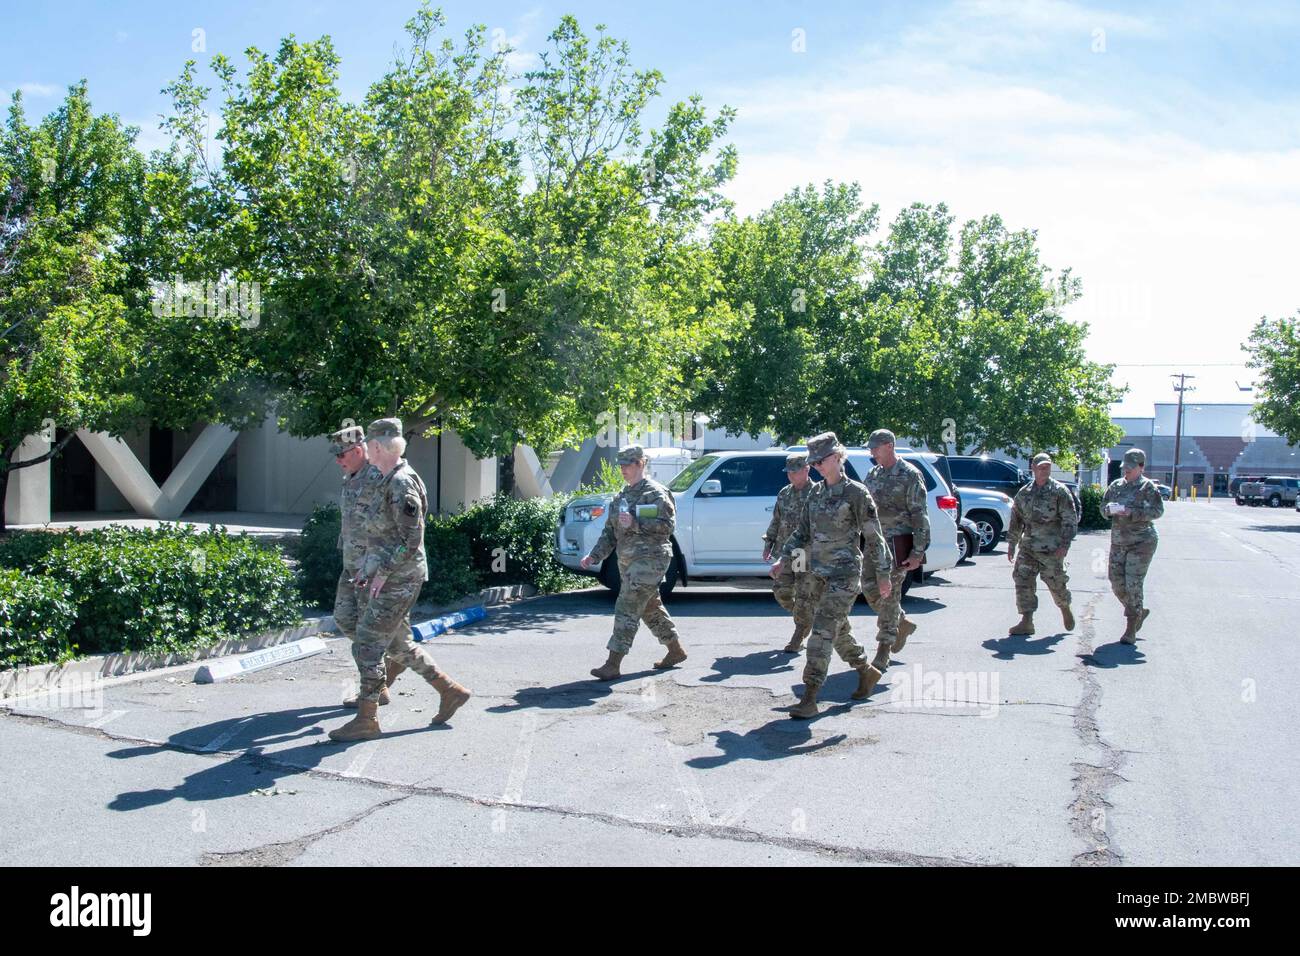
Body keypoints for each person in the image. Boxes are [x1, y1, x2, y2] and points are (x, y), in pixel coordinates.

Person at [330, 418, 472, 741]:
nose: (369, 450)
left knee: (368, 643)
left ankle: (367, 719)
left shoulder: (400, 483)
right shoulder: (385, 478)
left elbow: (410, 540)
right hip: (382, 576)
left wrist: (380, 572)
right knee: (393, 643)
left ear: (378, 448)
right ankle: (449, 690)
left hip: (399, 578)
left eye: (371, 445)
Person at [770, 432, 893, 720]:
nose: (816, 467)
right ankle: (866, 671)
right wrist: (783, 558)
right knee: (837, 631)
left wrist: (884, 574)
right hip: (816, 573)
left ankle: (810, 697)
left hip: (844, 574)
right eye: (813, 463)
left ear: (838, 457)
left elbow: (875, 538)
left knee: (822, 632)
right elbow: (802, 532)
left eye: (820, 461)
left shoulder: (856, 494)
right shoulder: (815, 492)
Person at [581, 445, 687, 680]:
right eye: (620, 465)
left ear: (641, 463)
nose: (623, 470)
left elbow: (667, 527)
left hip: (651, 559)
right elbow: (610, 532)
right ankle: (675, 650)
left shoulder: (656, 493)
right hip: (628, 561)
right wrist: (594, 556)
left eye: (628, 464)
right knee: (650, 608)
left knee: (627, 605)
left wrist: (635, 523)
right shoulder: (621, 496)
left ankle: (613, 663)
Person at [328, 425, 404, 708]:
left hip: (370, 568)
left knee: (365, 633)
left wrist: (381, 569)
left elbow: (393, 526)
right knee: (345, 619)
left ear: (358, 450)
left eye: (341, 454)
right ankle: (392, 663)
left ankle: (373, 690)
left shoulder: (377, 478)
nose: (338, 460)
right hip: (352, 566)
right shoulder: (351, 477)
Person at [862, 429, 929, 665]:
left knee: (888, 592)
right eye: (870, 448)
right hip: (875, 544)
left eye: (875, 447)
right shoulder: (873, 474)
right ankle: (900, 620)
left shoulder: (910, 474)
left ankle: (884, 648)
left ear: (889, 445)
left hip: (897, 545)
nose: (872, 452)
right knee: (868, 587)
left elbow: (920, 515)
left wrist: (918, 551)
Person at [1006, 452, 1078, 636]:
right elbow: (1016, 520)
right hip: (1029, 546)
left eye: (1047, 466)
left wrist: (1065, 545)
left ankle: (1064, 607)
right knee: (1022, 580)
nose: (1045, 469)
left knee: (1056, 582)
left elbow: (1070, 519)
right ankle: (1026, 621)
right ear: (1033, 468)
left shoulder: (1059, 491)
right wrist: (1012, 544)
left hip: (1052, 548)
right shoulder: (1024, 493)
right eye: (1041, 466)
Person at [1102, 448, 1165, 644]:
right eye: (1124, 467)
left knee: (1133, 584)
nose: (1125, 471)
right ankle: (1138, 611)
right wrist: (1110, 510)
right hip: (1119, 542)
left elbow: (1158, 511)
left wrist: (1132, 512)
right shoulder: (1116, 486)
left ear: (1141, 467)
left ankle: (1131, 628)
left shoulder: (1148, 488)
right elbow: (1102, 508)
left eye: (1130, 468)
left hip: (1142, 542)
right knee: (1116, 583)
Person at [762, 453, 816, 653]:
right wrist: (768, 542)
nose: (791, 475)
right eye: (789, 472)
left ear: (807, 469)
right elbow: (776, 520)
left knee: (803, 593)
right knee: (782, 591)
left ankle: (799, 633)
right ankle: (806, 618)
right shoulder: (785, 493)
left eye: (795, 471)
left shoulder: (816, 493)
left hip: (804, 552)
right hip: (784, 551)